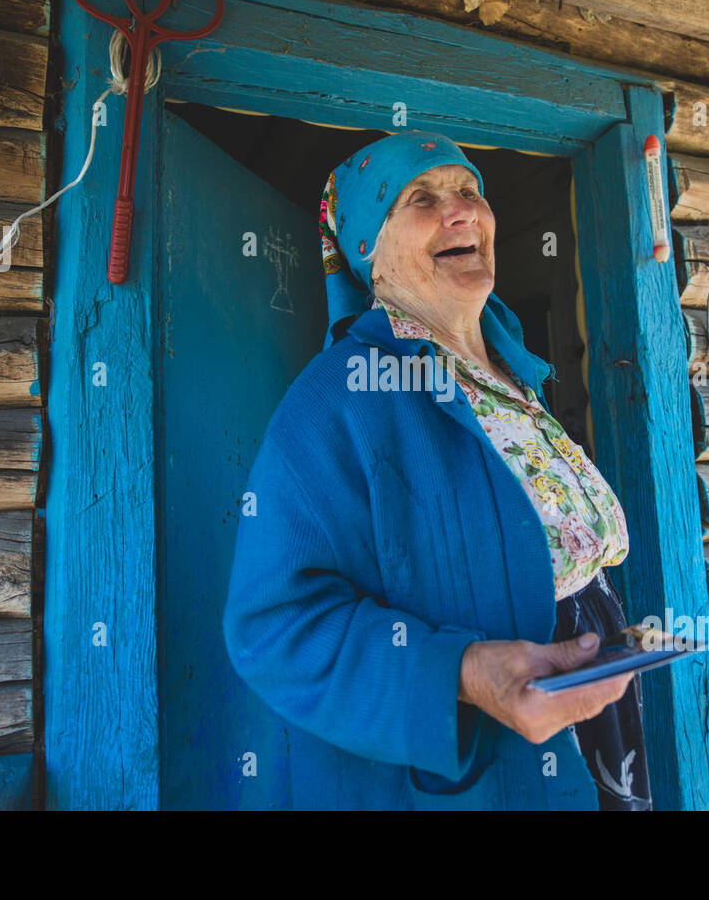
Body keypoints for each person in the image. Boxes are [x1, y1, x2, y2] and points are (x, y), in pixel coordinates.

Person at [224, 129, 651, 810]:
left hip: (601, 721)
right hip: (487, 775)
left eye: (469, 192)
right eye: (422, 198)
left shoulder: (515, 374)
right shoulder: (338, 397)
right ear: (370, 247)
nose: (462, 212)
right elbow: (273, 627)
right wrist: (465, 671)